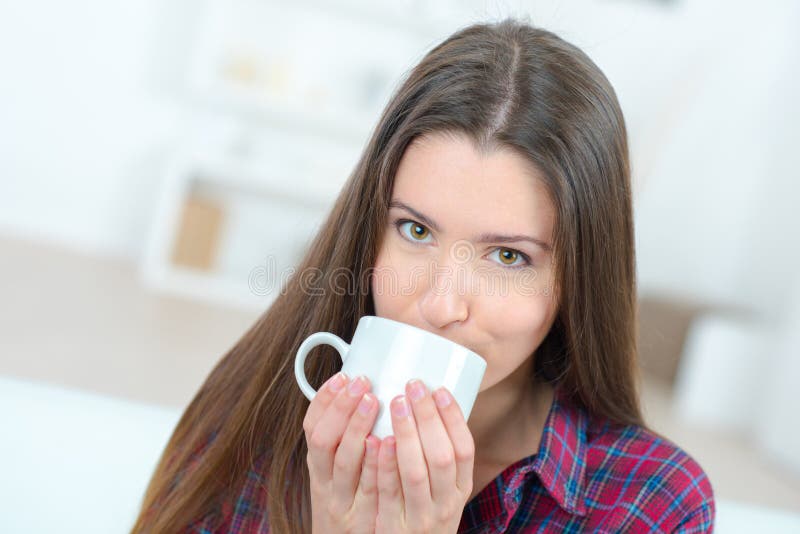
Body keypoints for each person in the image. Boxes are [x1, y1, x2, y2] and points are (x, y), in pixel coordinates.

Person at [132, 17, 714, 533]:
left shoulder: (648, 502)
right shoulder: (254, 413)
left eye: (507, 257)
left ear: (577, 281)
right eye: (415, 231)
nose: (440, 306)